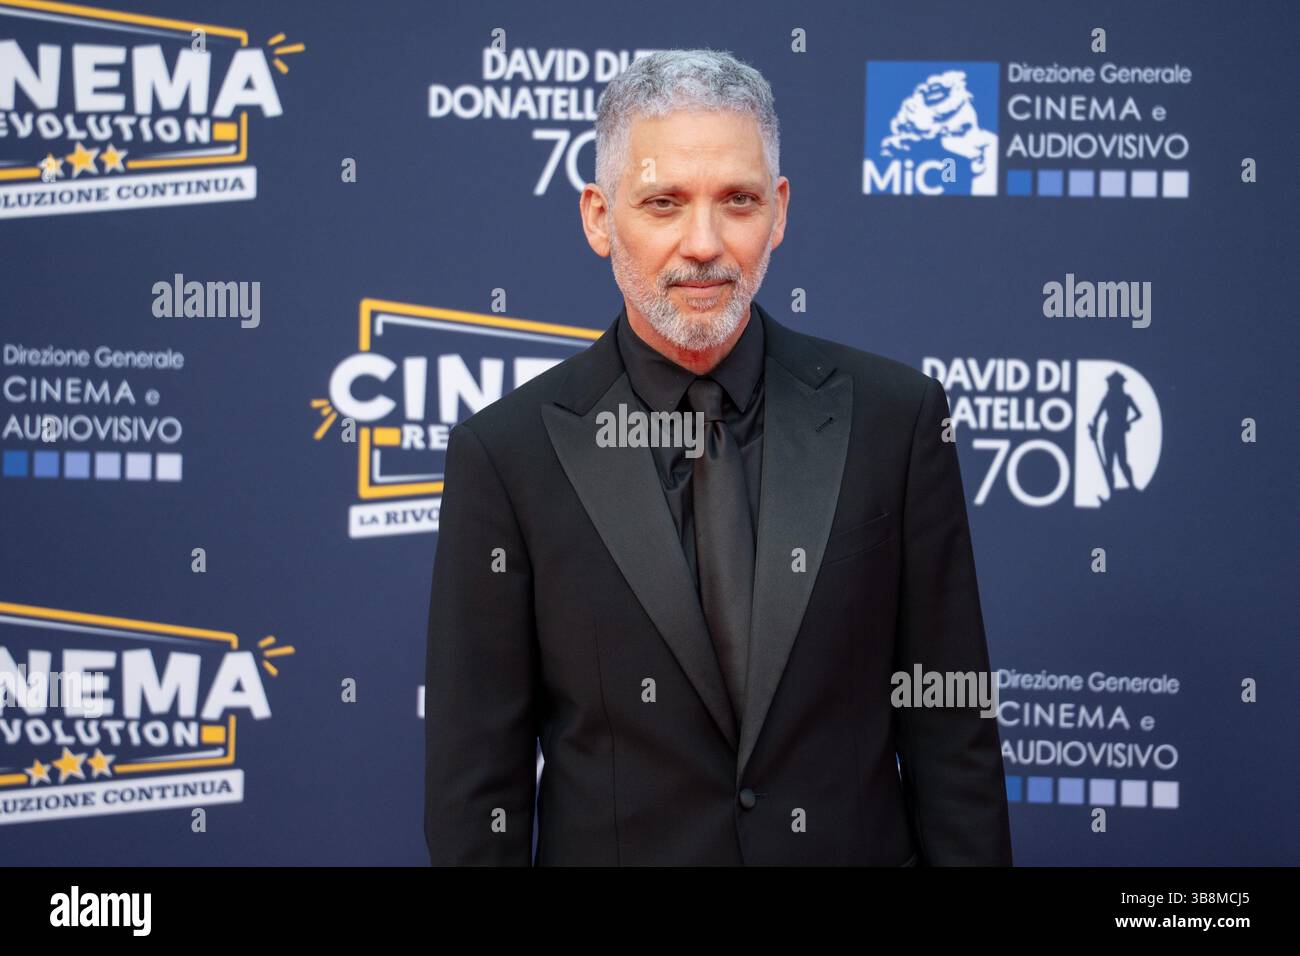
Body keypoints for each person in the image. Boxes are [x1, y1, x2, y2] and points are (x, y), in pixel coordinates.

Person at [424, 48, 1011, 866]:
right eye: (663, 203)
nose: (703, 244)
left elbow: (956, 742)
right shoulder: (507, 454)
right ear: (599, 217)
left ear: (779, 210)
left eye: (735, 201)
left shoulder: (897, 420)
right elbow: (474, 784)